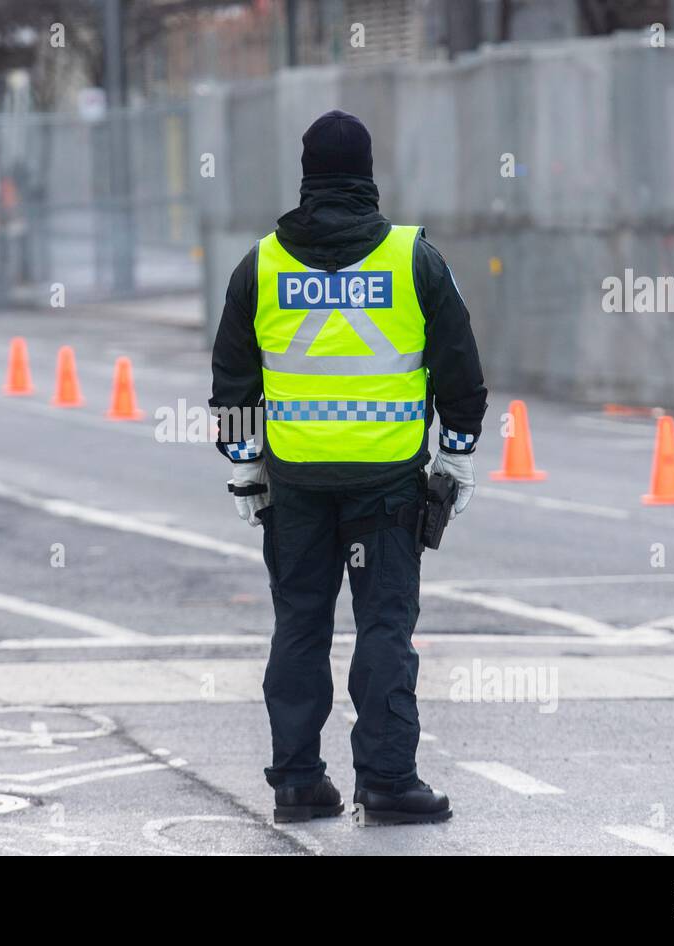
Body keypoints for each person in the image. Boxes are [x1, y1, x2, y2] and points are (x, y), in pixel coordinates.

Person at [209, 109, 487, 825]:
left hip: (295, 484)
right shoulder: (412, 259)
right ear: (366, 175)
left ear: (307, 177)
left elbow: (233, 380)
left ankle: (298, 782)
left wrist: (245, 468)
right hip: (387, 483)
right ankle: (388, 782)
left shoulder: (261, 264)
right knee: (383, 629)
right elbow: (460, 367)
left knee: (299, 626)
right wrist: (455, 458)